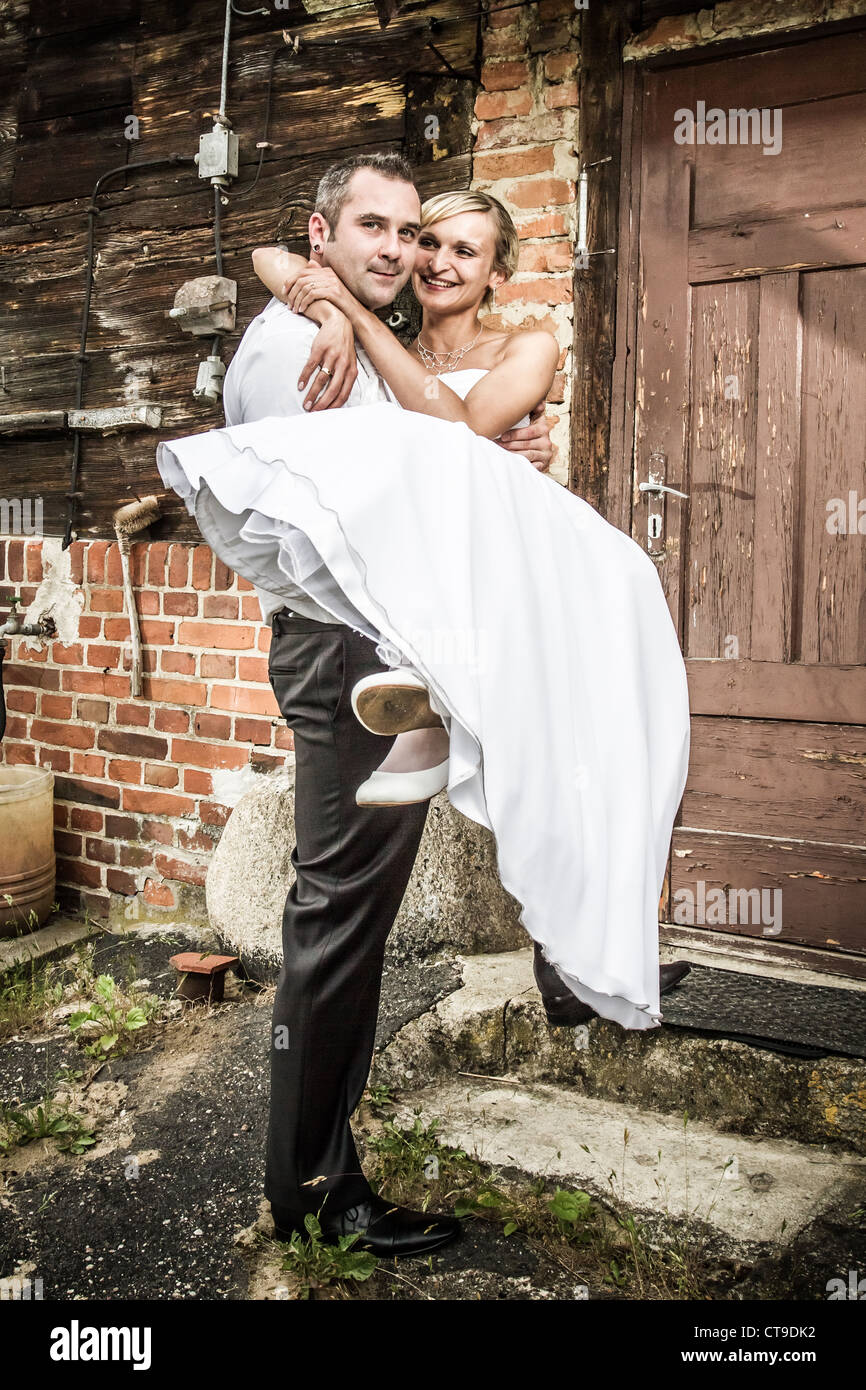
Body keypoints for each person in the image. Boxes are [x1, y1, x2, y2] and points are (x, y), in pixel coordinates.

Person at [157, 151, 693, 1256]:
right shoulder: (307, 342)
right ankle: (314, 1186)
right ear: (321, 234)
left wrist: (497, 453)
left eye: (416, 232)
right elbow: (356, 512)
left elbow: (430, 457)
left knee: (382, 885)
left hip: (392, 648)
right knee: (340, 920)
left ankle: (569, 944)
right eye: (379, 230)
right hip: (352, 652)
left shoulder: (359, 331)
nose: (403, 251)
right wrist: (328, 305)